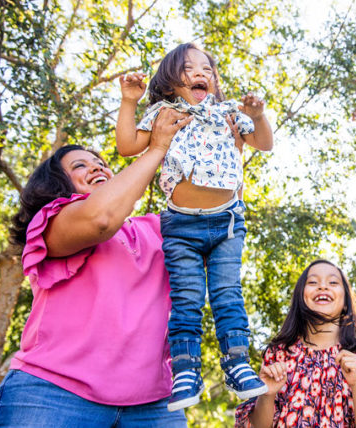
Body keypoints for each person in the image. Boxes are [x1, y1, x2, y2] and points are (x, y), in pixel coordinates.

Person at [0, 108, 193, 427]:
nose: (97, 167)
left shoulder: (154, 229)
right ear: (58, 184)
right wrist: (157, 147)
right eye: (80, 165)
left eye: (101, 163)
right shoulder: (52, 222)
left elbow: (215, 220)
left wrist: (227, 145)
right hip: (52, 393)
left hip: (153, 405)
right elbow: (101, 218)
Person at [115, 42, 274, 411]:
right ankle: (185, 369)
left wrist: (258, 115)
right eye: (189, 68)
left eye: (207, 68)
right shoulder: (162, 113)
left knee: (227, 294)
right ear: (171, 80)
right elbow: (126, 146)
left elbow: (263, 145)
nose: (201, 73)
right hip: (180, 225)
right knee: (186, 300)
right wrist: (128, 102)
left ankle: (237, 362)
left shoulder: (229, 111)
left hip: (227, 222)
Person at [234, 260, 356, 428]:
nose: (323, 287)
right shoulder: (278, 354)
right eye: (313, 282)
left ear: (345, 302)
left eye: (333, 282)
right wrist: (267, 395)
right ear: (300, 297)